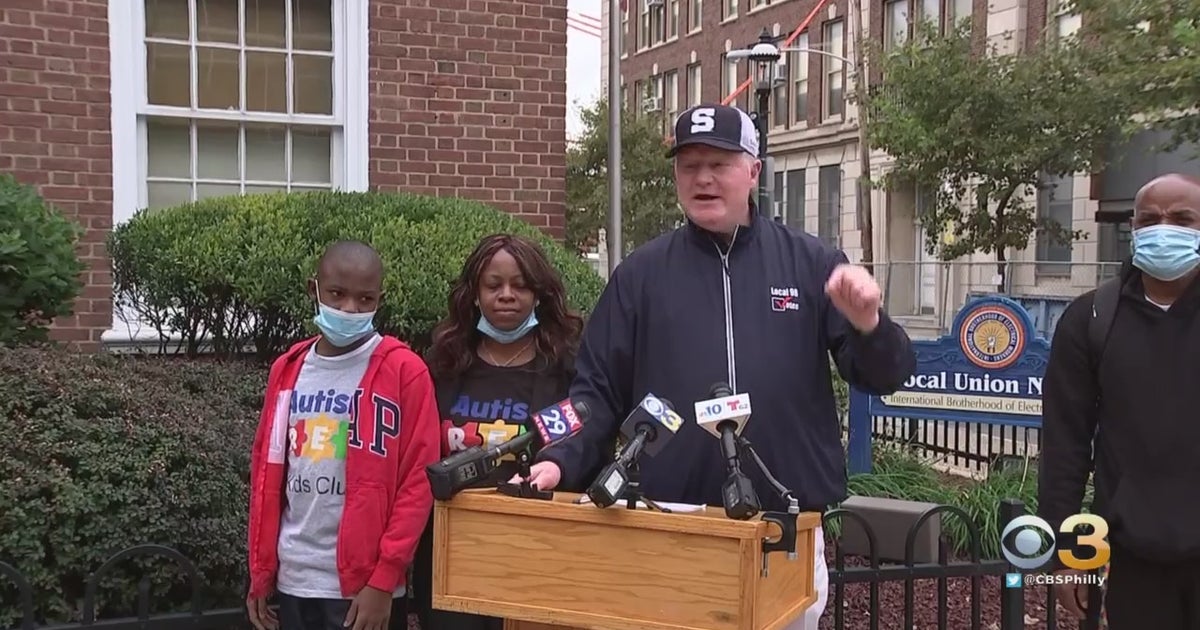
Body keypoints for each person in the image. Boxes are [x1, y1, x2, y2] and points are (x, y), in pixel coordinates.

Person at [521, 104, 917, 629]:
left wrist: (870, 324)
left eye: (720, 163)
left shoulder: (812, 263)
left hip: (786, 524)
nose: (703, 178)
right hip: (673, 521)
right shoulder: (640, 275)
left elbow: (884, 374)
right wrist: (563, 458)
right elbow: (596, 391)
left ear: (753, 170)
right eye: (689, 165)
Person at [245, 240, 442, 630]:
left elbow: (418, 481)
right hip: (295, 577)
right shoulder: (287, 370)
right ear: (313, 290)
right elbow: (265, 475)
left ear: (379, 300)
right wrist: (261, 571)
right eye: (337, 294)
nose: (350, 309)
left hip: (364, 587)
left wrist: (385, 579)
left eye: (364, 298)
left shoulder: (405, 371)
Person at [1039, 173, 1200, 628]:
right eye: (1150, 219)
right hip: (1134, 559)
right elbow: (1065, 447)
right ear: (1133, 227)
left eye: (1182, 219)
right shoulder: (1091, 318)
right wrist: (1067, 553)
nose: (1163, 228)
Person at [411, 234, 586, 630]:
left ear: (538, 295)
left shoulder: (566, 369)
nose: (506, 295)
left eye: (520, 285)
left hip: (537, 558)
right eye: (493, 285)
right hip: (452, 558)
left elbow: (583, 448)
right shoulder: (444, 365)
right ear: (474, 294)